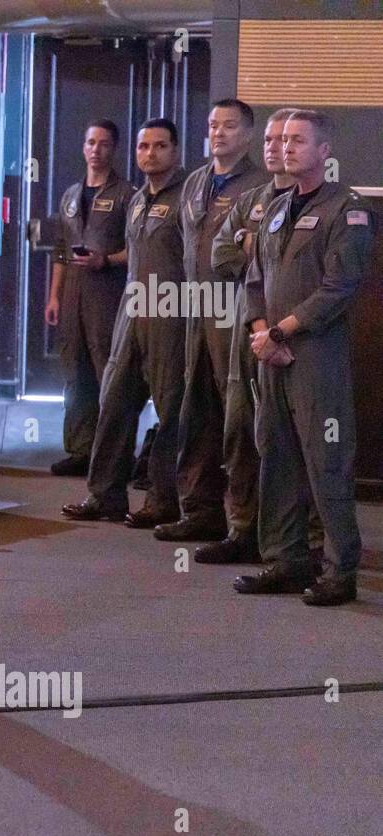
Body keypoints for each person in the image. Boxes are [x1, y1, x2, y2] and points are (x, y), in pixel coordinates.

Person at [233, 110, 375, 607]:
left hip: (316, 357)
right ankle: (286, 560)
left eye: (299, 140)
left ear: (324, 152)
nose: (286, 148)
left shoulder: (348, 210)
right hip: (271, 356)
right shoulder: (275, 208)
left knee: (327, 460)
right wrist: (260, 333)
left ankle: (340, 571)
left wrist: (280, 330)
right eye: (283, 139)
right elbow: (253, 280)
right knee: (277, 458)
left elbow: (341, 287)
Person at [62, 119, 189, 528]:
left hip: (170, 311)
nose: (150, 154)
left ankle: (163, 500)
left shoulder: (188, 197)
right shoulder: (137, 203)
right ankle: (105, 495)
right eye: (143, 146)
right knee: (113, 401)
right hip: (131, 309)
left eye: (160, 146)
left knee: (171, 409)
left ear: (176, 152)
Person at [159, 99, 269, 544]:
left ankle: (246, 522)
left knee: (239, 416)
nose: (218, 133)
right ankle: (200, 510)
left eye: (228, 126)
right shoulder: (194, 182)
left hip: (237, 308)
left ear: (247, 134)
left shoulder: (261, 184)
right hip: (194, 307)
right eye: (212, 125)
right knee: (196, 410)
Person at [199, 108, 300, 564]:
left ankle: (300, 541)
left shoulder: (317, 203)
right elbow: (221, 255)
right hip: (248, 330)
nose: (276, 148)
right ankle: (242, 529)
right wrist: (252, 245)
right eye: (271, 141)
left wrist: (251, 243)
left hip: (296, 339)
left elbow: (299, 263)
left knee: (289, 441)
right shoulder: (252, 200)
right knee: (239, 432)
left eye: (286, 140)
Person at [45, 119, 135, 477]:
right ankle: (81, 449)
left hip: (108, 295)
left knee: (108, 374)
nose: (96, 150)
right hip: (72, 298)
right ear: (83, 147)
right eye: (90, 142)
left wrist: (106, 260)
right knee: (75, 373)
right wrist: (53, 297)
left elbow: (139, 250)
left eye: (104, 144)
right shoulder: (69, 195)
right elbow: (61, 251)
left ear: (113, 150)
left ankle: (114, 455)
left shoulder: (127, 195)